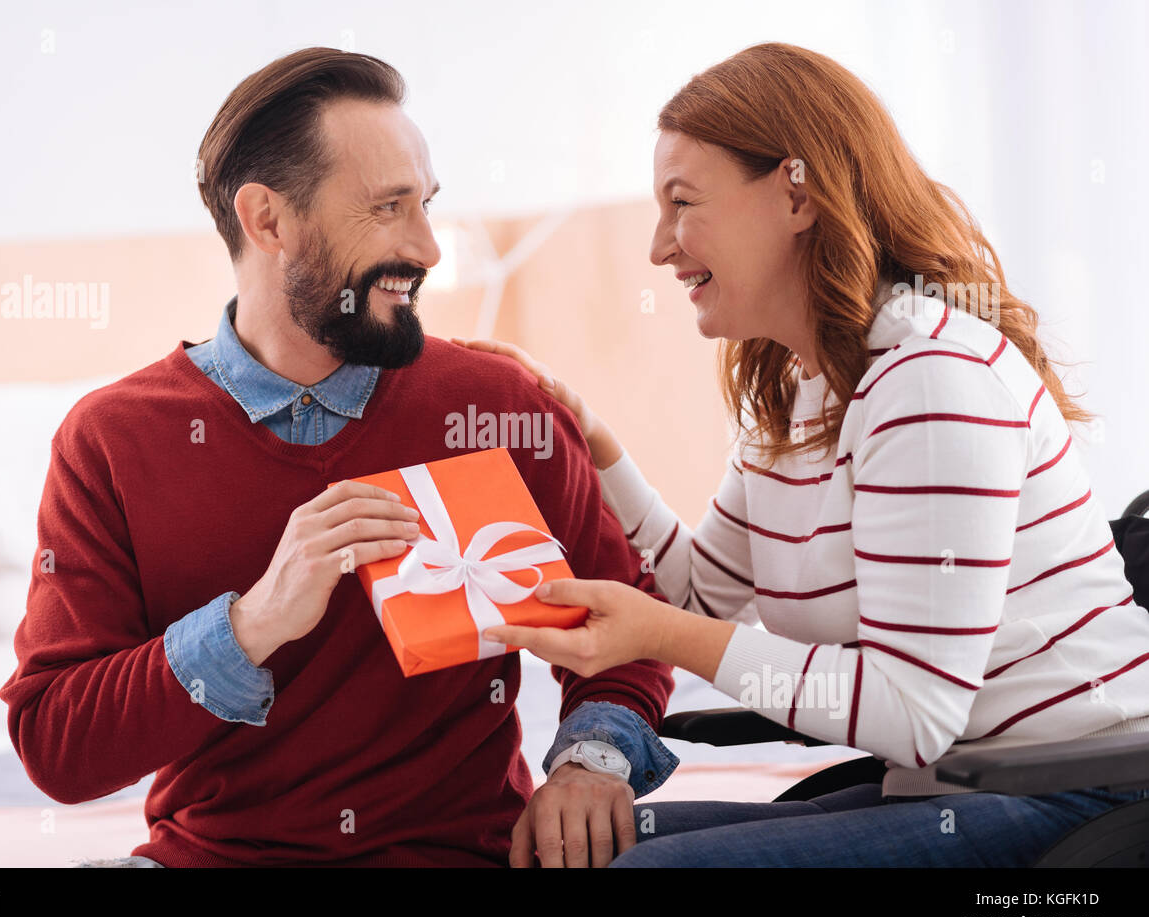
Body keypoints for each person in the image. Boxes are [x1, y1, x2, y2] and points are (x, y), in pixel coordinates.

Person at [462, 42, 1149, 866]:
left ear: (799, 196)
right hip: (945, 789)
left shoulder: (929, 383)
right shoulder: (804, 390)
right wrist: (592, 440)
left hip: (1074, 790)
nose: (659, 247)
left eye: (682, 203)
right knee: (551, 852)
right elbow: (698, 597)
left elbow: (913, 709)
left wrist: (663, 634)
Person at [0, 47, 678, 868]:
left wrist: (587, 762)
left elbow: (631, 626)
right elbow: (57, 744)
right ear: (269, 221)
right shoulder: (110, 440)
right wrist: (249, 626)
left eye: (427, 204)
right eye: (388, 209)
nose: (428, 247)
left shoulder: (497, 405)